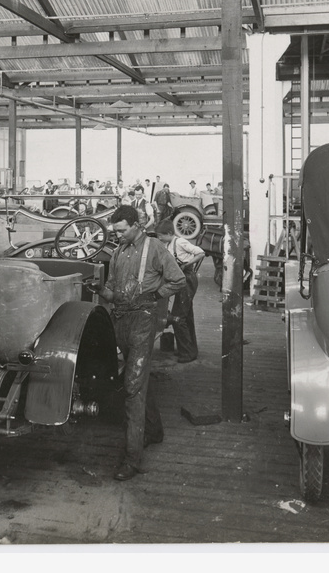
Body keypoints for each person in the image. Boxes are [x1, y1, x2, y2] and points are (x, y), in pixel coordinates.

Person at [89, 205, 185, 481]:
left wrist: (157, 297)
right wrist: (98, 290)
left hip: (143, 323)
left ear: (135, 225)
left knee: (132, 387)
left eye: (121, 230)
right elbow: (113, 293)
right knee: (137, 380)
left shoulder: (154, 247)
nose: (117, 235)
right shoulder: (118, 252)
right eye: (114, 231)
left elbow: (178, 280)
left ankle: (132, 459)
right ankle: (153, 431)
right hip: (121, 322)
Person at [154, 219, 205, 363]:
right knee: (186, 315)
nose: (159, 238)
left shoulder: (180, 242)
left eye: (161, 236)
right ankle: (189, 349)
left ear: (170, 233)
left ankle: (187, 353)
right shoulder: (168, 244)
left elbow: (201, 253)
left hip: (187, 278)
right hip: (179, 278)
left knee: (178, 318)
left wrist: (187, 264)